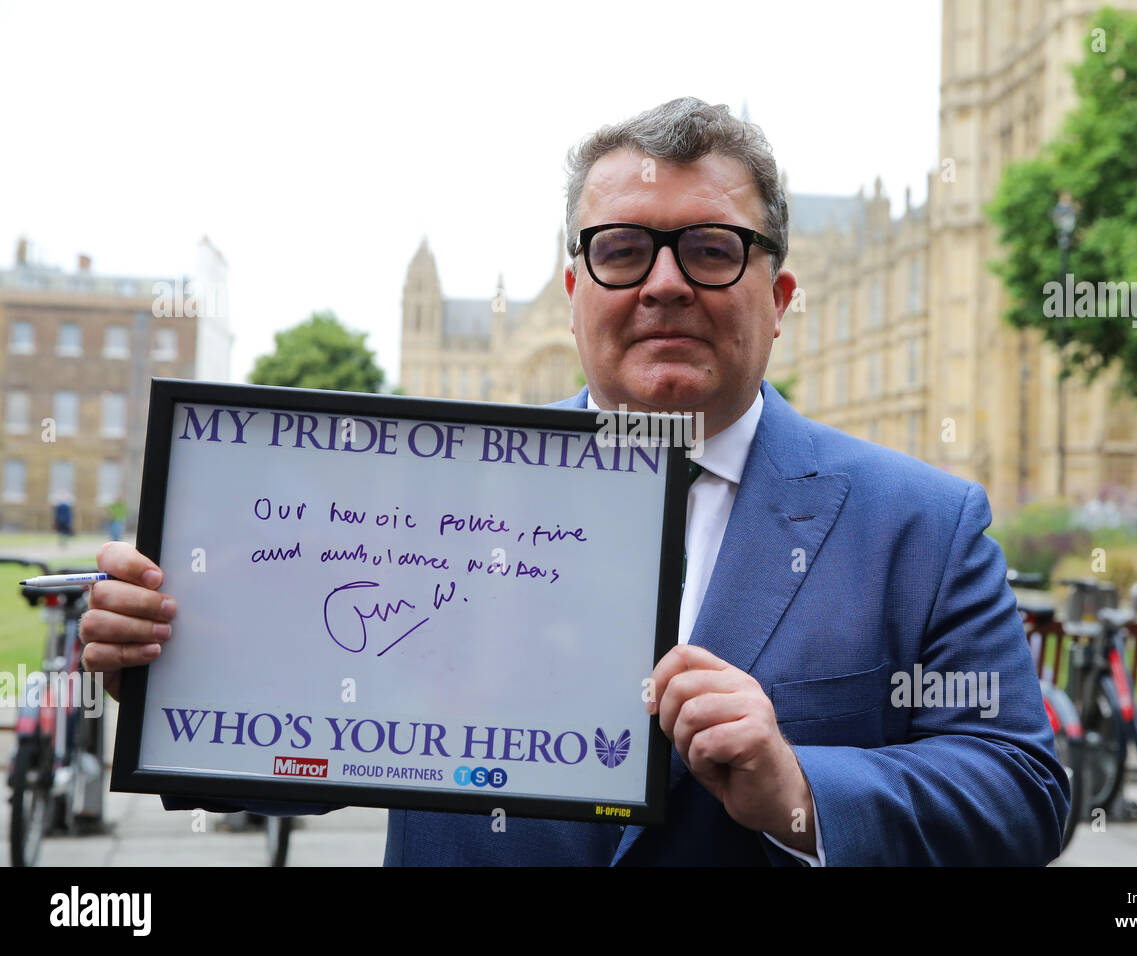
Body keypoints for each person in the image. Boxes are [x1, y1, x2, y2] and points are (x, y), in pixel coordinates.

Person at [82, 97, 1068, 865]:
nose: (666, 283)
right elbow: (300, 752)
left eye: (713, 249)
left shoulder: (922, 526)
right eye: (623, 248)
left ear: (779, 299)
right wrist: (174, 671)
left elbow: (1022, 789)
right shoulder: (425, 497)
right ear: (572, 294)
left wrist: (801, 789)